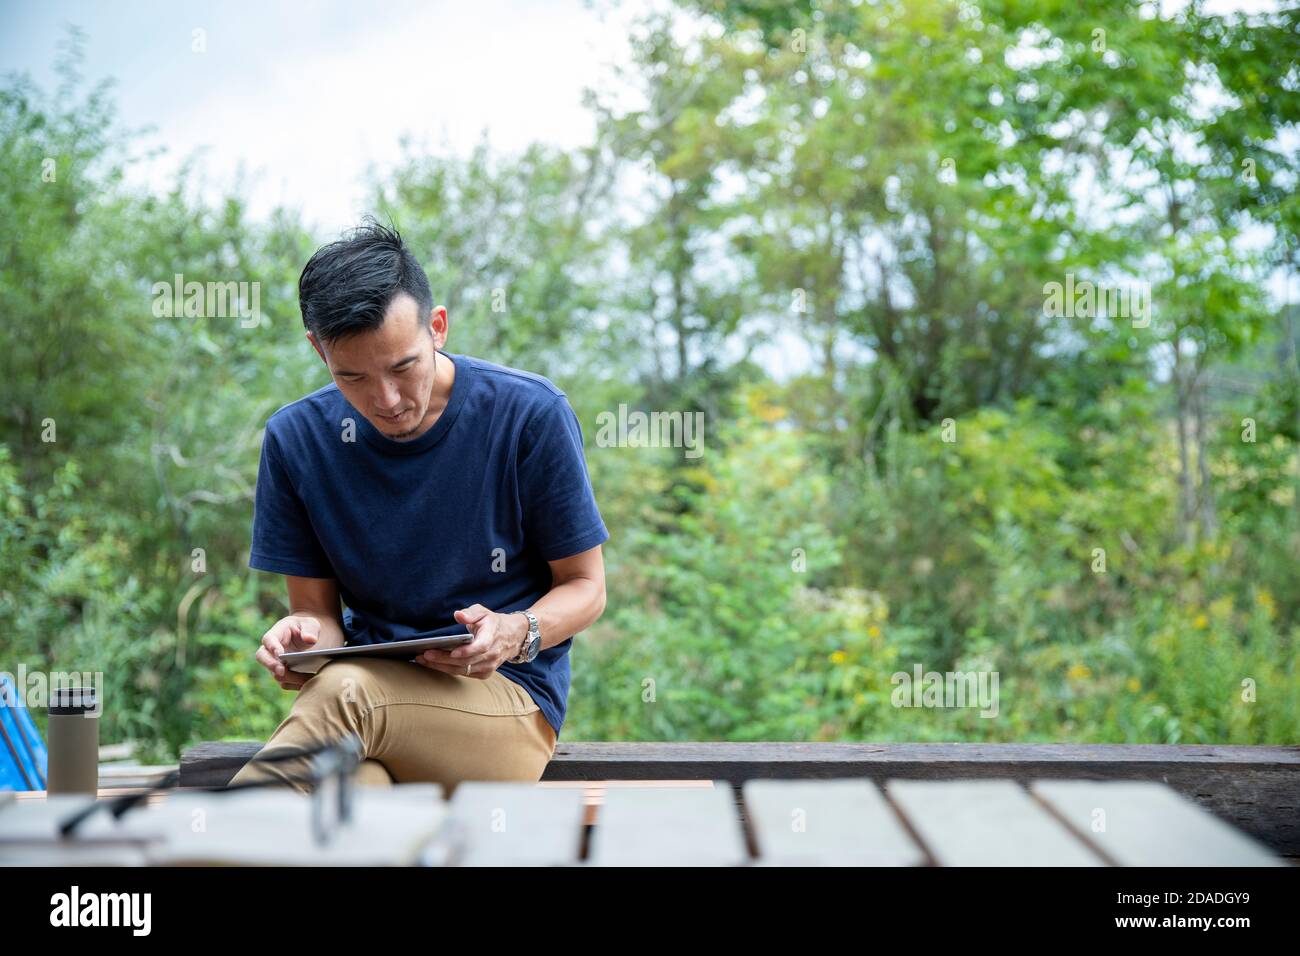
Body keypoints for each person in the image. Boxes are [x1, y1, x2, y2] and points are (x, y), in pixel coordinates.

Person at [227, 218, 608, 797]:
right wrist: (304, 639)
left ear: (437, 327)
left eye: (403, 367)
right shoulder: (296, 439)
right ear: (317, 350)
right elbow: (320, 618)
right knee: (347, 800)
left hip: (504, 704)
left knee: (343, 693)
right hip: (364, 712)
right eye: (351, 376)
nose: (386, 400)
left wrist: (516, 630)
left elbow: (587, 588)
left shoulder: (528, 414)